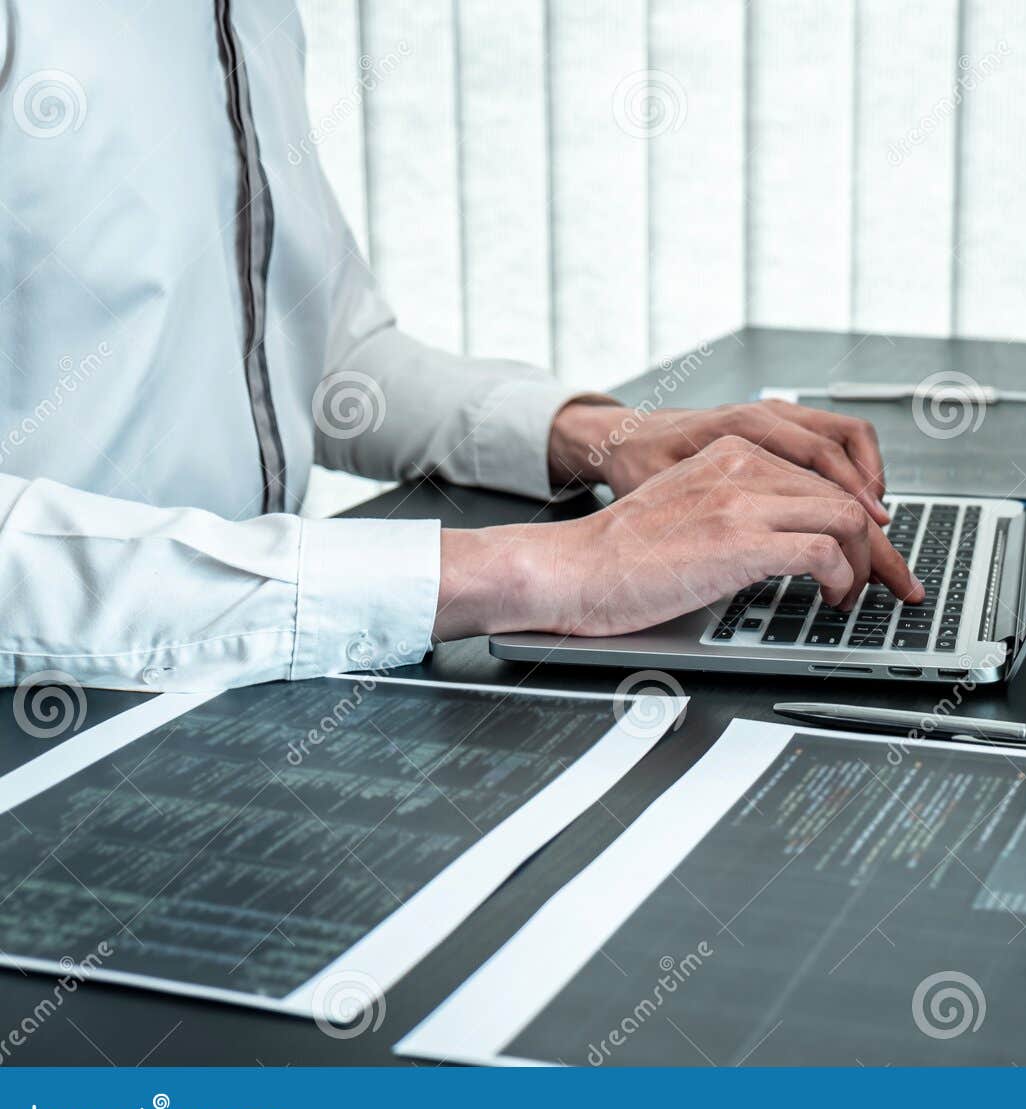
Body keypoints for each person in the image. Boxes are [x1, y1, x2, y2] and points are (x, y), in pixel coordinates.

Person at [0, 2, 920, 692]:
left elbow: (326, 358)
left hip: (246, 675)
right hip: (52, 709)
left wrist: (600, 435)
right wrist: (539, 567)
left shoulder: (247, 16)